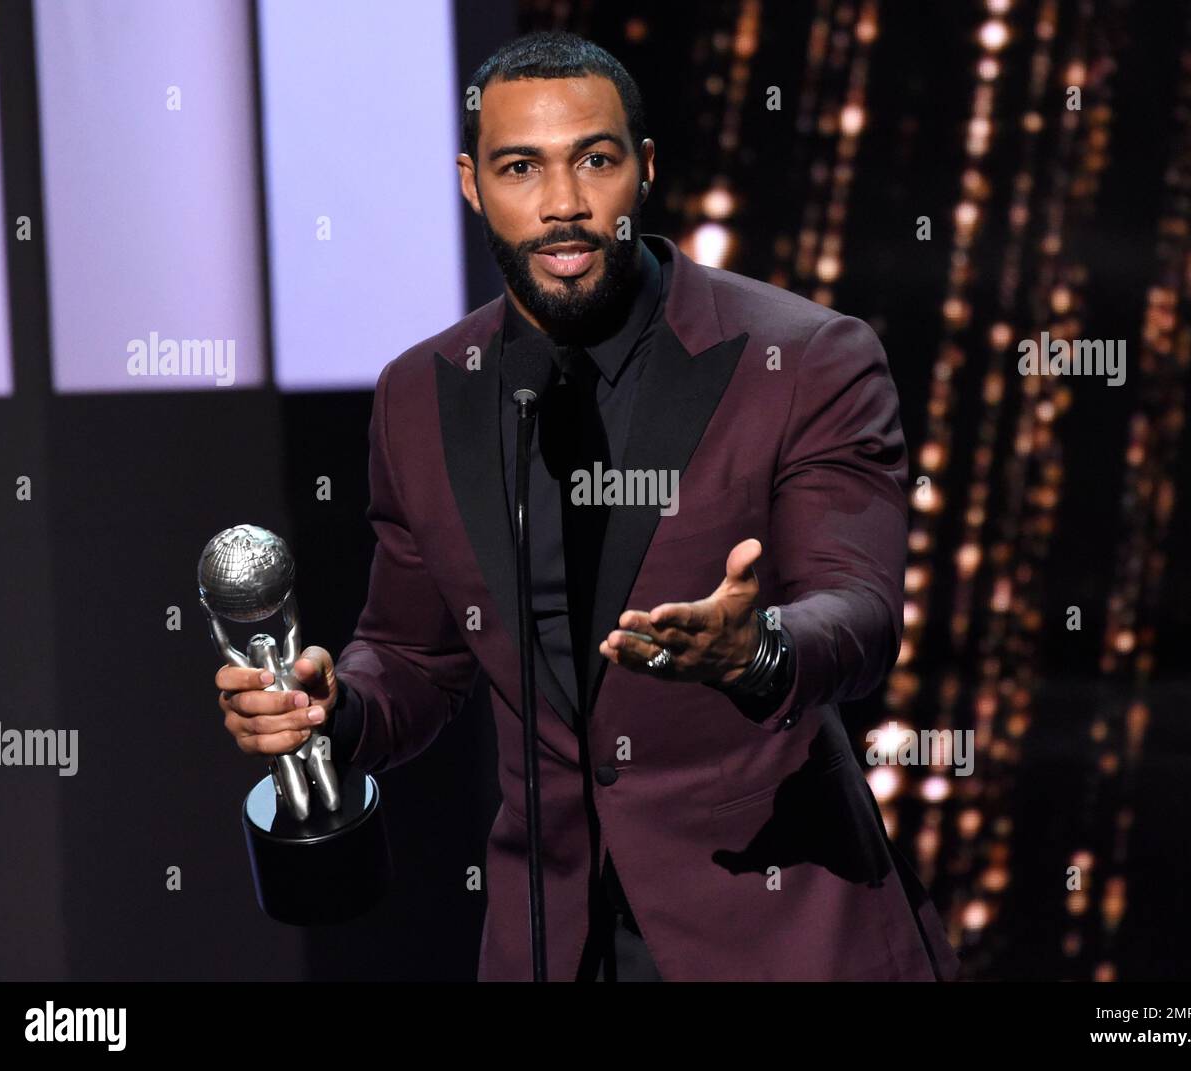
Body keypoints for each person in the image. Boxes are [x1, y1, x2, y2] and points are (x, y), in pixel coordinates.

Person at [216, 30, 960, 983]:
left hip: (781, 933)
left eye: (595, 161)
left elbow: (859, 611)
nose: (563, 203)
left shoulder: (805, 359)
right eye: (520, 167)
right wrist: (335, 706)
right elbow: (413, 654)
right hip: (552, 937)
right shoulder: (420, 394)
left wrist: (760, 649)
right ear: (471, 184)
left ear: (644, 170)